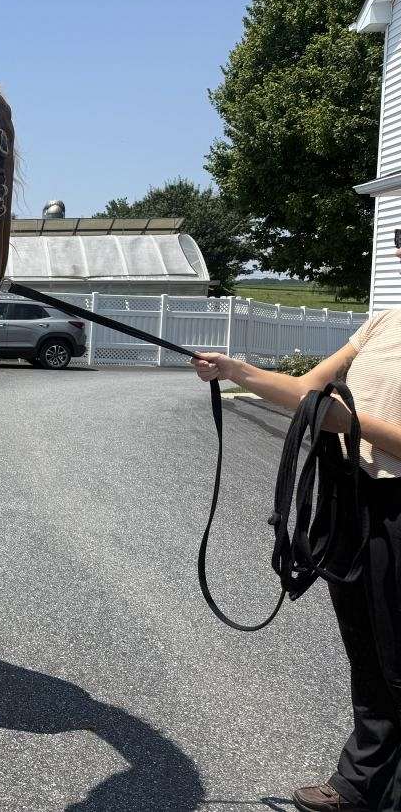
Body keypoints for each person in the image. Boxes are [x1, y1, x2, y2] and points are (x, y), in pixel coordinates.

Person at [192, 231, 401, 812]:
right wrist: (236, 370)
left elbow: (335, 414)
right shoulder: (383, 324)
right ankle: (361, 785)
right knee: (366, 649)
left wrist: (346, 422)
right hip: (352, 496)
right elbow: (307, 389)